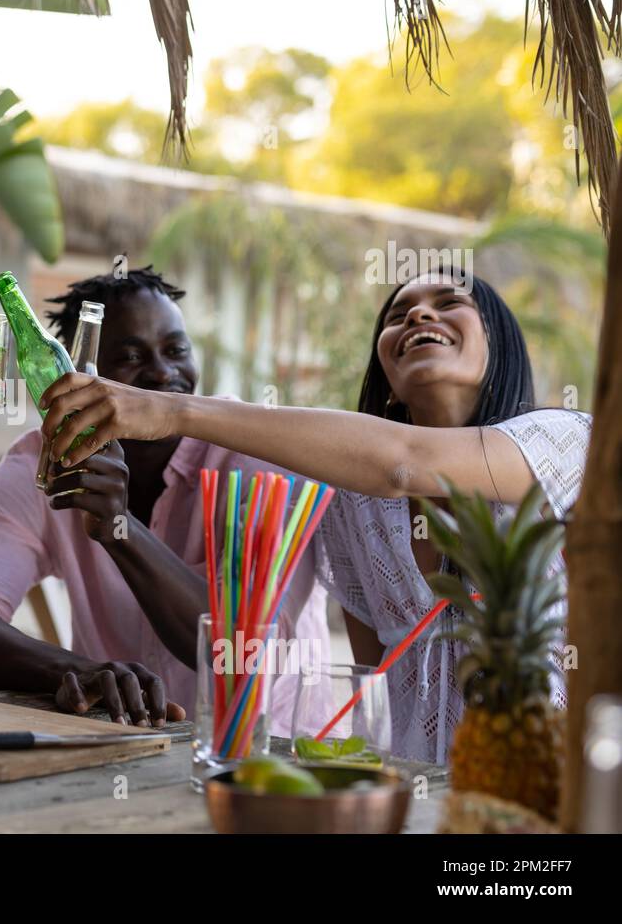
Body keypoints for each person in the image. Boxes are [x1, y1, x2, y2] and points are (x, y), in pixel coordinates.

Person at [39, 268, 591, 762]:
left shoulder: (562, 442)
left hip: (556, 787)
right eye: (398, 314)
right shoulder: (354, 506)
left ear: (501, 346)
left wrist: (171, 411)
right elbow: (374, 679)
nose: (420, 314)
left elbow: (402, 463)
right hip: (418, 798)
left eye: (449, 302)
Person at [0, 267, 330, 728]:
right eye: (129, 356)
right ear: (76, 374)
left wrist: (119, 529)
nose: (162, 372)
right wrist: (75, 670)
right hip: (125, 752)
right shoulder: (42, 461)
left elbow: (247, 653)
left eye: (176, 350)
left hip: (275, 762)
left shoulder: (255, 454)